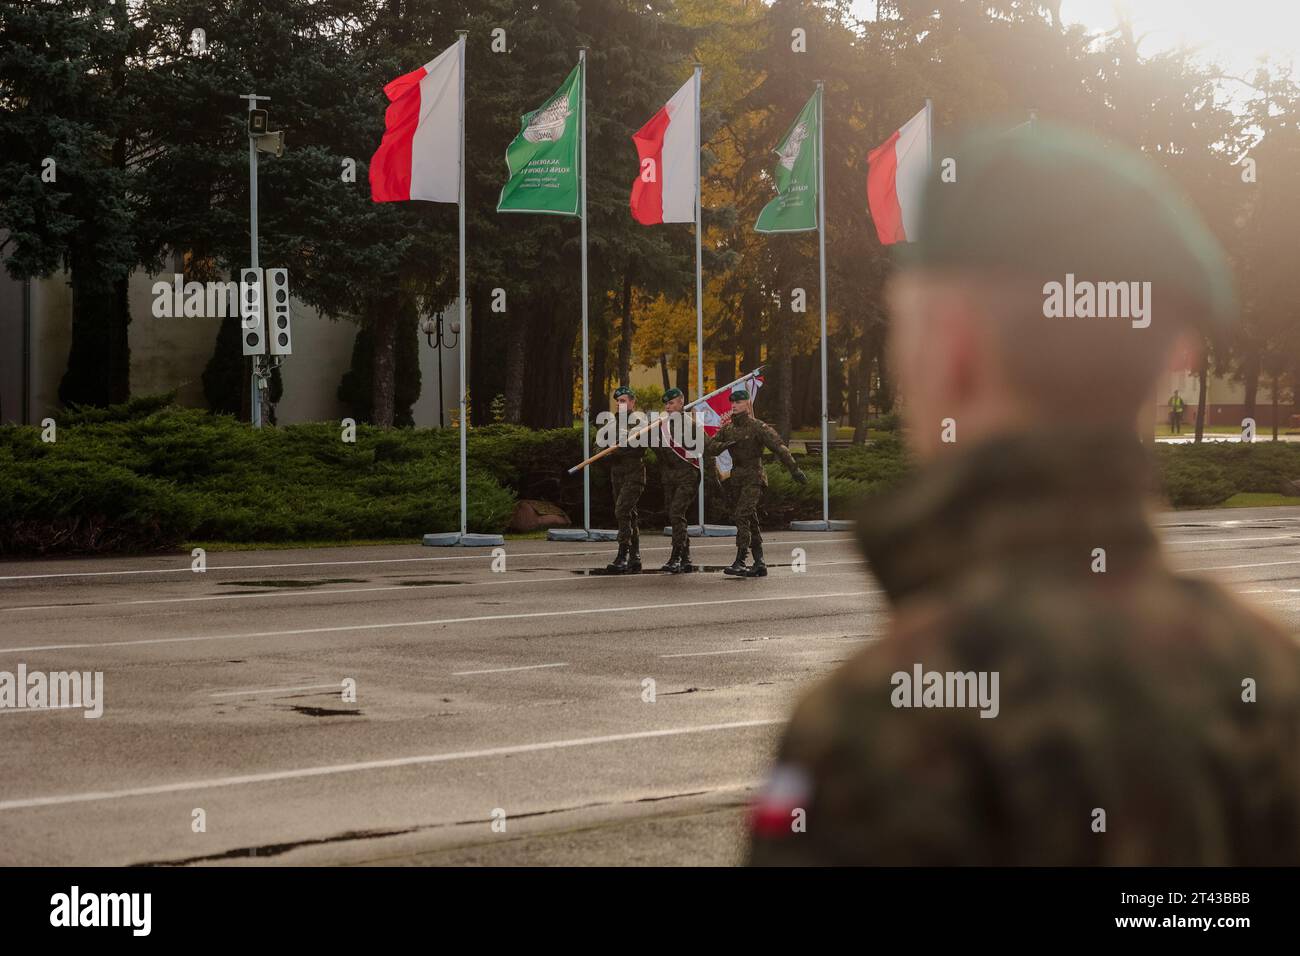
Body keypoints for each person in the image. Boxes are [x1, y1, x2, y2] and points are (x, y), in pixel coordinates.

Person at [748, 123, 1300, 865]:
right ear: (1174, 360)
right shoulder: (1269, 676)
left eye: (902, 326)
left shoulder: (882, 723)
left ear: (953, 348)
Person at [706, 389, 807, 577]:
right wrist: (725, 446)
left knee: (741, 515)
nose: (734, 405)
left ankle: (741, 560)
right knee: (750, 519)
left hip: (754, 477)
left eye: (739, 402)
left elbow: (780, 447)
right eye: (732, 403)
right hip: (737, 478)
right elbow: (710, 447)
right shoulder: (728, 429)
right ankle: (759, 562)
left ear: (747, 404)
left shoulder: (757, 427)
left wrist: (794, 469)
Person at [656, 387, 699, 573]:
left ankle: (676, 556)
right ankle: (686, 556)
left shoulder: (690, 424)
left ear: (681, 403)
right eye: (666, 403)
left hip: (686, 477)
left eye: (671, 403)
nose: (668, 406)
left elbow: (706, 447)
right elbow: (656, 450)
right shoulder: (661, 425)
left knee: (676, 513)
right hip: (669, 478)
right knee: (674, 515)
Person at [605, 386, 646, 573]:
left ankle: (623, 555)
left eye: (623, 400)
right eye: (617, 401)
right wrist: (607, 451)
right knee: (630, 514)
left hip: (633, 473)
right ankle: (635, 556)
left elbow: (637, 447)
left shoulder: (639, 422)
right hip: (617, 474)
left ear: (631, 402)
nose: (619, 404)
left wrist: (617, 448)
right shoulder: (611, 424)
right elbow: (600, 447)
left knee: (622, 510)